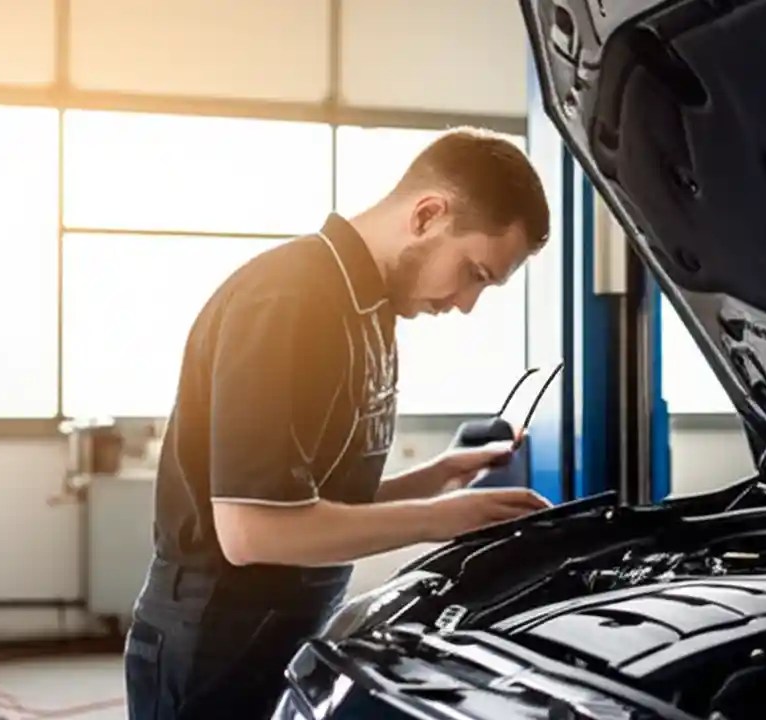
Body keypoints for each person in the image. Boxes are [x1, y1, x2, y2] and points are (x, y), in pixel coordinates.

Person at [123, 127, 553, 719]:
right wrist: (438, 520)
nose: (465, 303)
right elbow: (253, 530)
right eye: (475, 273)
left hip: (284, 626)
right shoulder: (288, 299)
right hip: (215, 640)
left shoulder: (371, 311)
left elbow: (310, 499)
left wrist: (438, 478)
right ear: (428, 216)